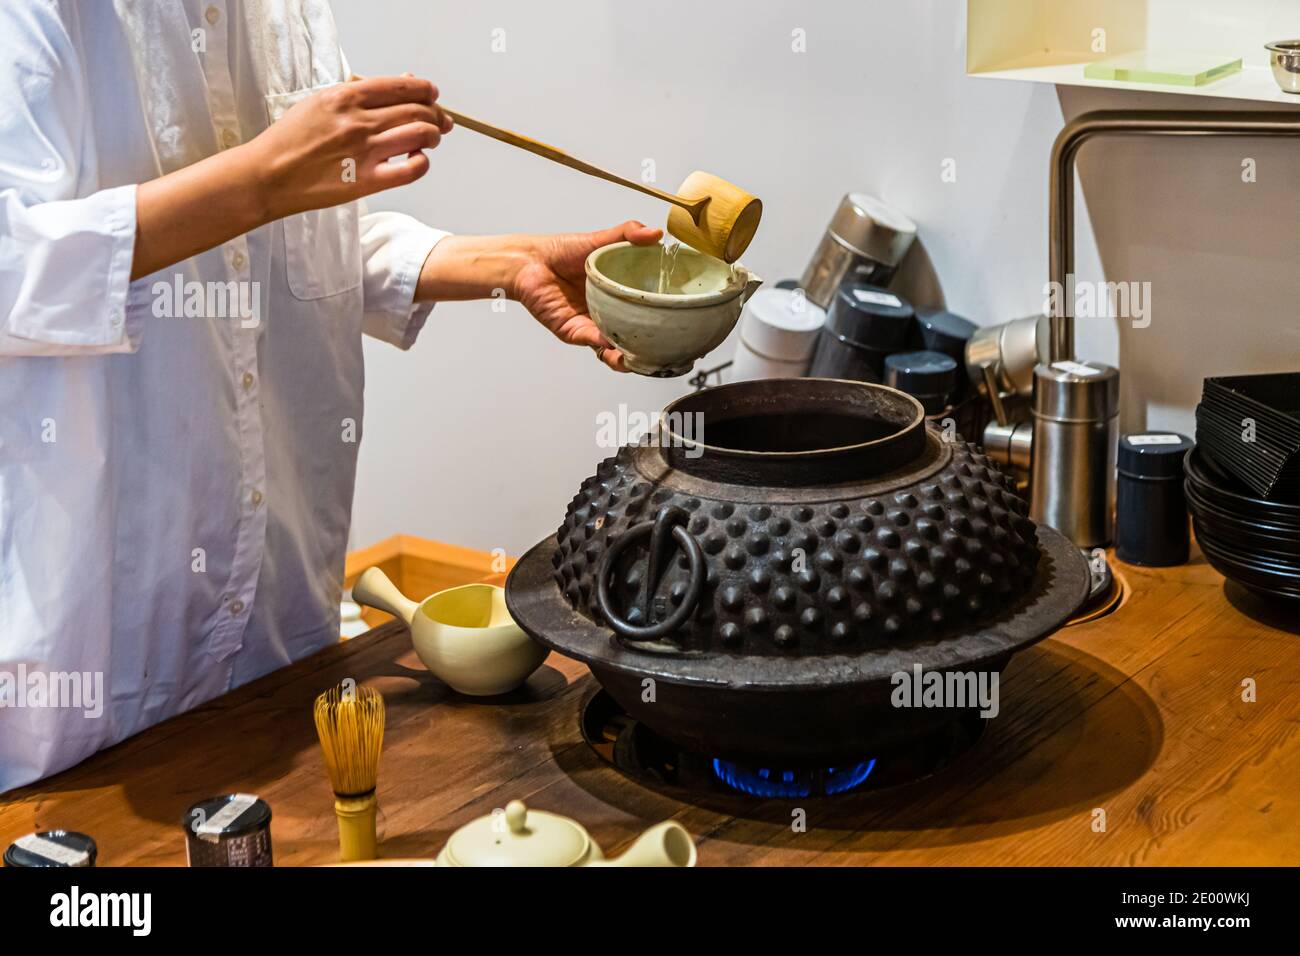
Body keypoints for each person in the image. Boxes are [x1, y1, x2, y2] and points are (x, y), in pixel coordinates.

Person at [0, 0, 660, 791]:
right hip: (95, 666)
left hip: (278, 633)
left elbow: (292, 245)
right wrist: (263, 178)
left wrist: (499, 263)